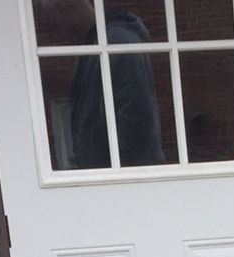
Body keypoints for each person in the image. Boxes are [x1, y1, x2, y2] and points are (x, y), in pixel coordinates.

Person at [35, 0, 166, 170]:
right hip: (109, 179)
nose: (57, 31)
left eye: (54, 22)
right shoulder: (93, 48)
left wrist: (112, 178)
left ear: (65, 8)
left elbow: (135, 117)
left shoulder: (116, 44)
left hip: (124, 182)